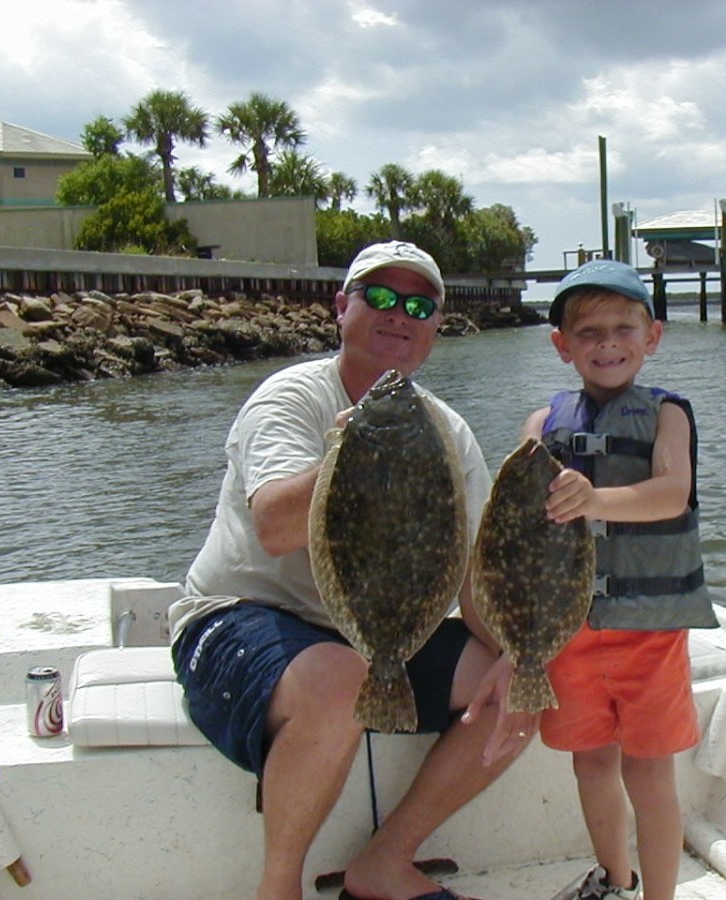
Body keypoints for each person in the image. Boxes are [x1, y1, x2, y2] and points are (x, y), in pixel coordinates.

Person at [168, 240, 534, 900]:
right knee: (342, 681)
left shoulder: (447, 432)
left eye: (419, 306)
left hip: (373, 631)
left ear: (436, 326)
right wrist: (350, 450)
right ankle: (278, 888)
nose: (399, 314)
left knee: (522, 691)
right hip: (242, 616)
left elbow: (468, 571)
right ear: (342, 307)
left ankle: (384, 863)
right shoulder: (291, 398)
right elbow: (276, 528)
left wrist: (515, 656)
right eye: (381, 297)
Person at [521, 260, 717, 900]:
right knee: (591, 762)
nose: (607, 344)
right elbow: (512, 520)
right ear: (562, 345)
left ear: (651, 336)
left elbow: (671, 493)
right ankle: (615, 879)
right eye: (589, 332)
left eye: (623, 329)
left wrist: (594, 500)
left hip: (649, 635)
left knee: (650, 773)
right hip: (567, 629)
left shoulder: (667, 415)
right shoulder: (541, 424)